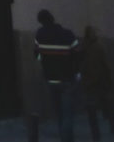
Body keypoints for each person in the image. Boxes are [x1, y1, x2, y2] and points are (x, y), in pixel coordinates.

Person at [34, 9, 81, 142]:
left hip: (50, 79)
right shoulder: (68, 34)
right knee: (67, 113)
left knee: (59, 112)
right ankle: (67, 139)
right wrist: (76, 72)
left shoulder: (40, 34)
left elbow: (37, 55)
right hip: (67, 79)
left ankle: (63, 136)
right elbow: (77, 54)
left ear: (41, 21)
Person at [79, 26, 113, 120]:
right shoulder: (94, 46)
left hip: (95, 75)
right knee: (98, 97)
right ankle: (100, 116)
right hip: (94, 75)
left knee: (97, 97)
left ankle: (96, 116)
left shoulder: (88, 46)